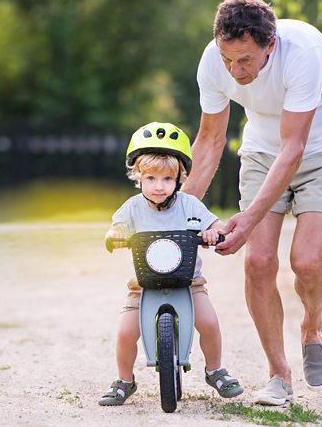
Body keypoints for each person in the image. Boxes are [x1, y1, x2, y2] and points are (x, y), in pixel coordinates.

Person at [181, 0, 322, 406]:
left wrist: (247, 220)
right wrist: (179, 212)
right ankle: (279, 374)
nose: (234, 70)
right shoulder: (214, 60)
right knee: (258, 262)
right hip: (261, 151)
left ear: (269, 45)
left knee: (306, 262)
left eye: (244, 60)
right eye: (227, 59)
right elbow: (209, 140)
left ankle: (312, 326)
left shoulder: (304, 52)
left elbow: (294, 148)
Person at [98, 122, 243, 406]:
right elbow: (115, 227)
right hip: (144, 284)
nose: (158, 186)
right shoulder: (132, 207)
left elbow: (215, 223)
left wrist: (214, 231)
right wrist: (115, 235)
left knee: (209, 323)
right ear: (137, 176)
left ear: (179, 178)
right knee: (126, 331)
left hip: (189, 282)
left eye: (166, 179)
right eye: (150, 178)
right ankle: (124, 381)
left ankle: (215, 370)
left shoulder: (189, 204)